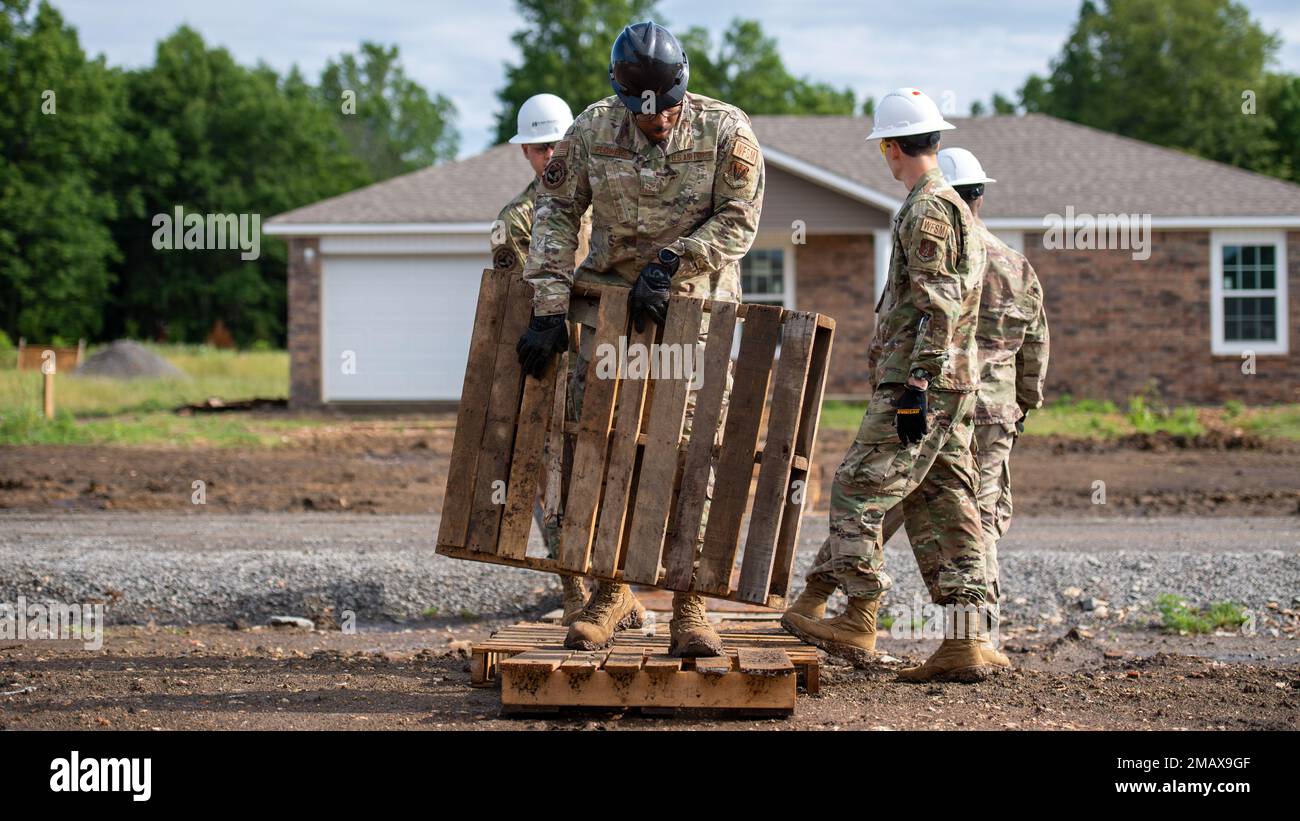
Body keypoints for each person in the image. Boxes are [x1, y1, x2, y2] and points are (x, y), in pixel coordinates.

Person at [515, 20, 764, 657]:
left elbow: (740, 220)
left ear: (683, 87)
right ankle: (611, 591)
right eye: (643, 111)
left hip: (691, 312)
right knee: (598, 452)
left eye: (667, 108)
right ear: (625, 98)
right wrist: (549, 307)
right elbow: (555, 212)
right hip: (610, 313)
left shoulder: (727, 130)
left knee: (685, 454)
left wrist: (672, 263)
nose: (657, 122)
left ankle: (691, 607)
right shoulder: (593, 130)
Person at [780, 88, 994, 683]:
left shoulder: (927, 208)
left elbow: (938, 305)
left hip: (921, 383)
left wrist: (916, 385)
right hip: (954, 385)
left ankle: (860, 613)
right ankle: (962, 642)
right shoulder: (954, 208)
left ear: (892, 147)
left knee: (854, 489)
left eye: (883, 146)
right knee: (945, 502)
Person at [492, 93, 593, 625]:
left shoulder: (606, 203)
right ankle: (578, 594)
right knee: (551, 480)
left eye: (557, 144)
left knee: (609, 471)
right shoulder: (517, 220)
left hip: (609, 363)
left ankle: (615, 594)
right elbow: (513, 302)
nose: (550, 156)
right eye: (539, 147)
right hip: (551, 365)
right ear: (525, 152)